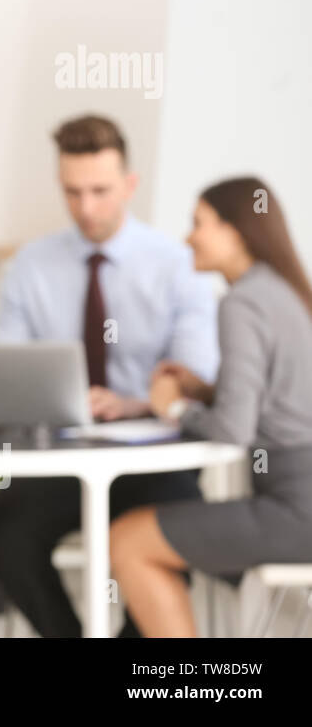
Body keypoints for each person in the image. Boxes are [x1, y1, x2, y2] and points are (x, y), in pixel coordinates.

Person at [0, 114, 220, 637]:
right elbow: (6, 367)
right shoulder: (31, 266)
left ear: (129, 185)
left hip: (155, 461)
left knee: (178, 533)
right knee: (6, 533)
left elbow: (195, 373)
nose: (86, 208)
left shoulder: (180, 264)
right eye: (72, 192)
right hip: (63, 459)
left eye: (100, 191)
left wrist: (137, 402)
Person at [111, 177, 312, 636]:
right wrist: (203, 392)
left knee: (127, 540)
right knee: (138, 536)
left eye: (198, 223)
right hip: (301, 505)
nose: (188, 237)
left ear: (235, 231)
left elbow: (234, 432)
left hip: (296, 512)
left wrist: (173, 409)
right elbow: (277, 398)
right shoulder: (286, 292)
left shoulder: (241, 303)